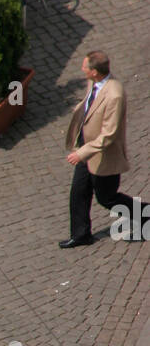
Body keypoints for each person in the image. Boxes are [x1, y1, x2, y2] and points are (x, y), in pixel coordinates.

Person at [60, 51, 137, 247]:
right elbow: (90, 104)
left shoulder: (115, 95)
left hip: (103, 155)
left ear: (94, 72)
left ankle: (145, 214)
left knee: (107, 198)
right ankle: (80, 235)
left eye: (85, 66)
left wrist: (82, 153)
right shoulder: (94, 82)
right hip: (87, 150)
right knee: (78, 192)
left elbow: (109, 134)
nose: (81, 69)